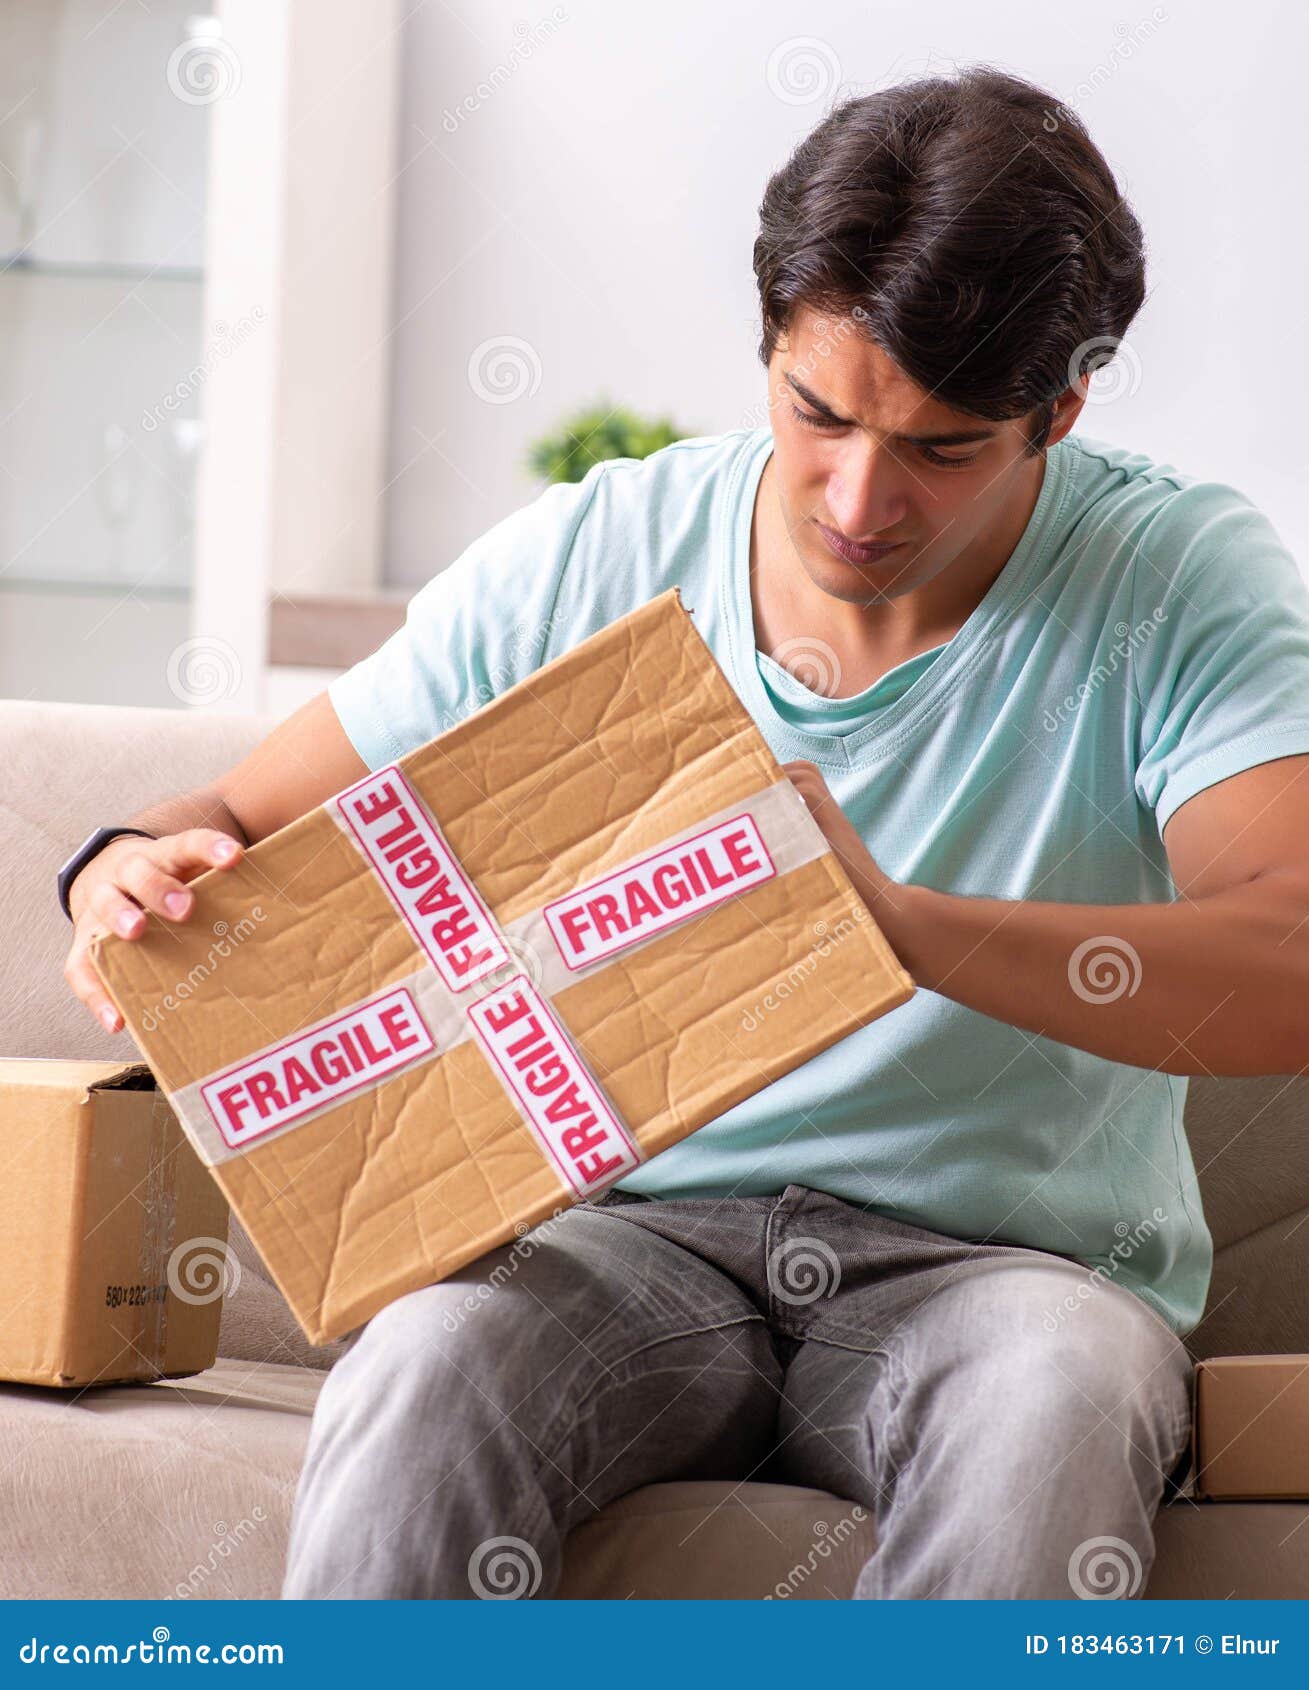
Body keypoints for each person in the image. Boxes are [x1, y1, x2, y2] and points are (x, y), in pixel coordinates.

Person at [59, 65, 1309, 1600]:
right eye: (817, 414)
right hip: (626, 1242)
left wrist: (894, 927)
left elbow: (1290, 957)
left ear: (1058, 409)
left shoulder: (1170, 577)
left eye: (940, 448)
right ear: (767, 345)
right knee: (427, 1363)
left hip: (1009, 1272)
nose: (857, 500)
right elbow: (228, 815)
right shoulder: (606, 548)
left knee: (1050, 1403)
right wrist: (123, 866)